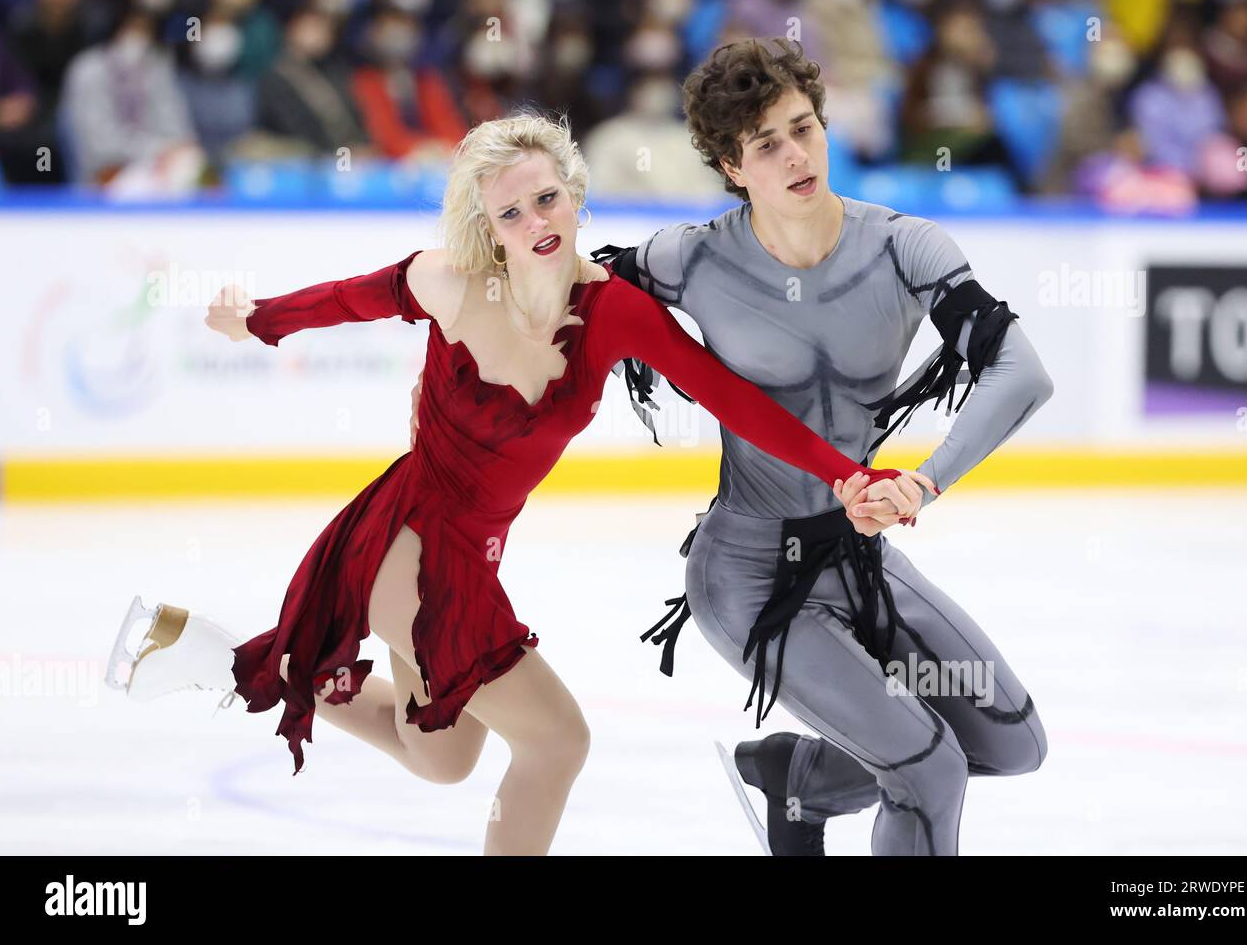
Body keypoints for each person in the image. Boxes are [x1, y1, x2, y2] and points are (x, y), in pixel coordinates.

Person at [106, 110, 916, 856]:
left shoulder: (616, 313)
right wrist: (256, 319)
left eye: (547, 199)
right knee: (557, 741)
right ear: (487, 231)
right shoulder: (449, 283)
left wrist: (845, 474)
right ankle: (235, 659)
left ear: (575, 195)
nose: (536, 224)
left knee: (444, 756)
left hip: (467, 558)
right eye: (511, 214)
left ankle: (209, 656)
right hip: (406, 550)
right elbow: (343, 301)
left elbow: (728, 396)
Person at [592, 38, 1053, 855]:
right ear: (734, 167)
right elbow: (565, 302)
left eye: (804, 128)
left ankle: (798, 779)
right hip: (748, 575)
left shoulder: (904, 247)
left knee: (1008, 743)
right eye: (768, 144)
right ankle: (813, 782)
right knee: (928, 772)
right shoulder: (691, 259)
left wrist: (925, 482)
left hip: (860, 559)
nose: (797, 154)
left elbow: (1022, 371)